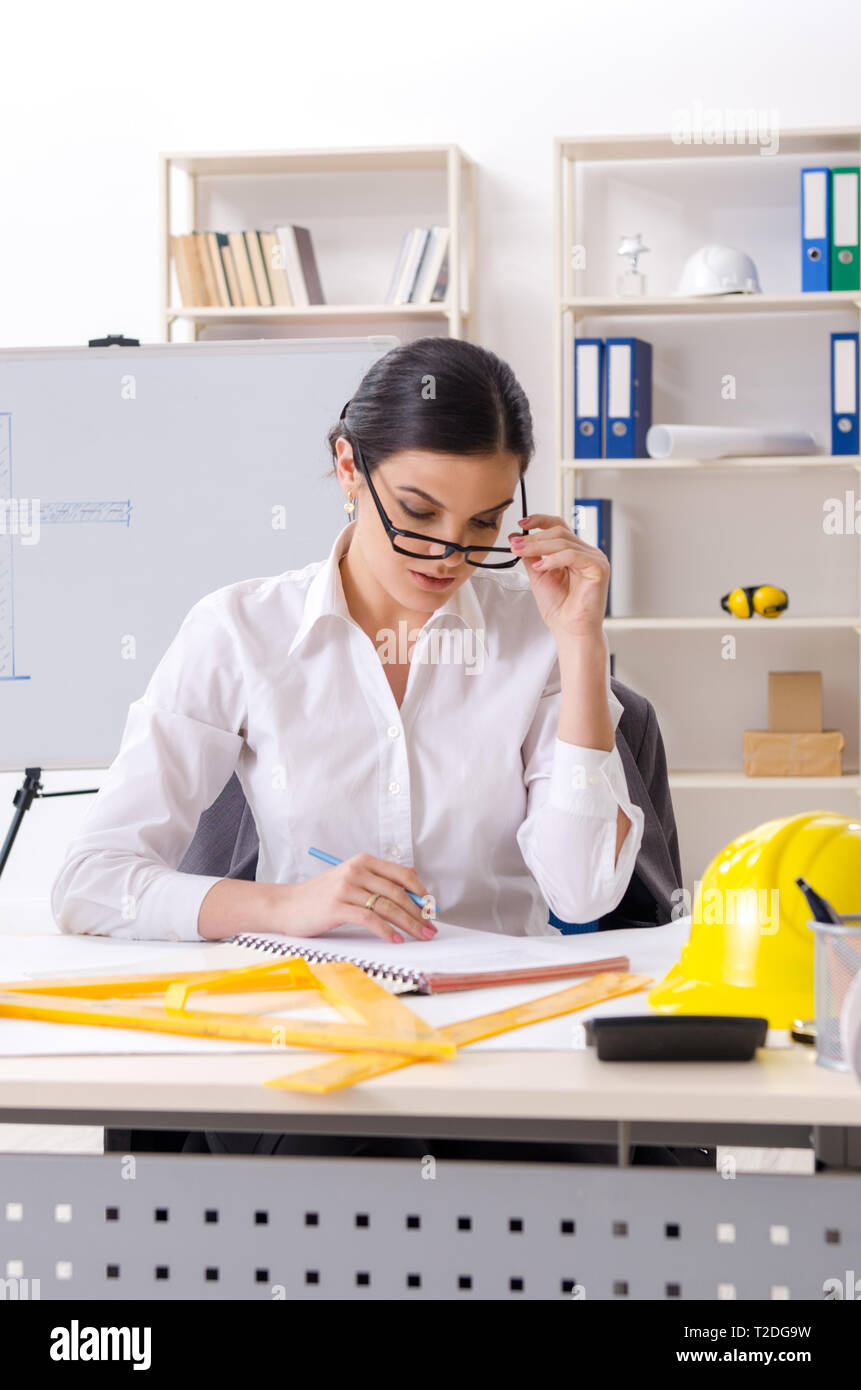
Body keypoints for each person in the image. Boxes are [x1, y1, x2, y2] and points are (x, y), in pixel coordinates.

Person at [52, 336, 647, 947]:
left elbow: (583, 893)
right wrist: (285, 906)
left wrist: (580, 644)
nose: (448, 554)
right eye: (418, 513)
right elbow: (91, 883)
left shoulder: (537, 636)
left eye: (483, 522)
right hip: (307, 1006)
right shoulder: (239, 631)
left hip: (498, 1012)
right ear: (349, 468)